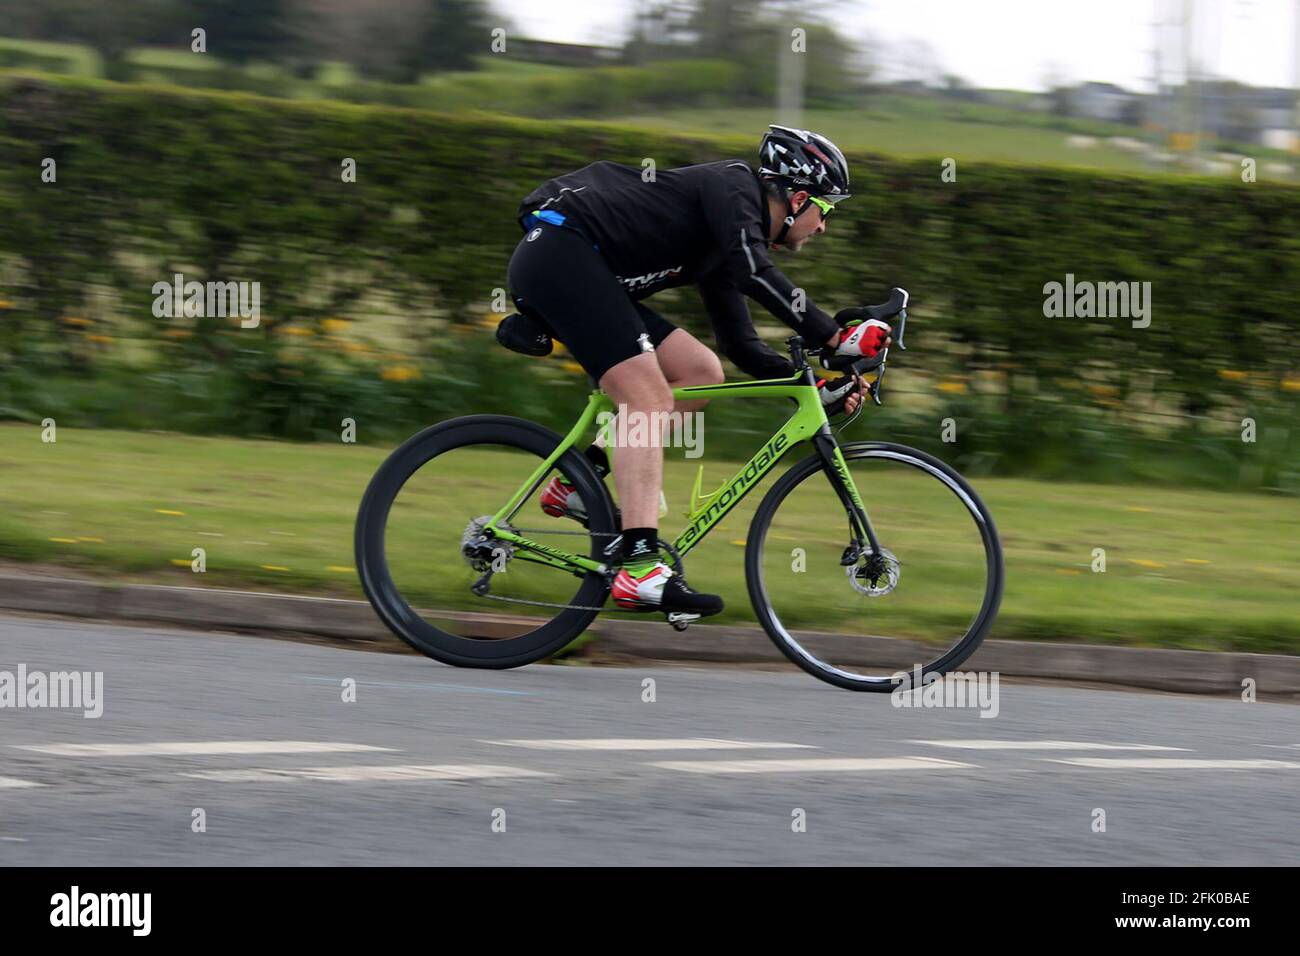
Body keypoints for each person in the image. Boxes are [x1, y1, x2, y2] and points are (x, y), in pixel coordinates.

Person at [506, 125, 891, 619]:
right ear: (798, 198)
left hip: (580, 270)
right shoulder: (731, 187)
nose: (823, 227)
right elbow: (755, 272)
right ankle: (641, 568)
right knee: (646, 399)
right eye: (826, 211)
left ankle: (580, 482)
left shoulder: (726, 240)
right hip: (560, 255)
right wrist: (833, 337)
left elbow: (741, 345)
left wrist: (816, 384)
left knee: (701, 371)